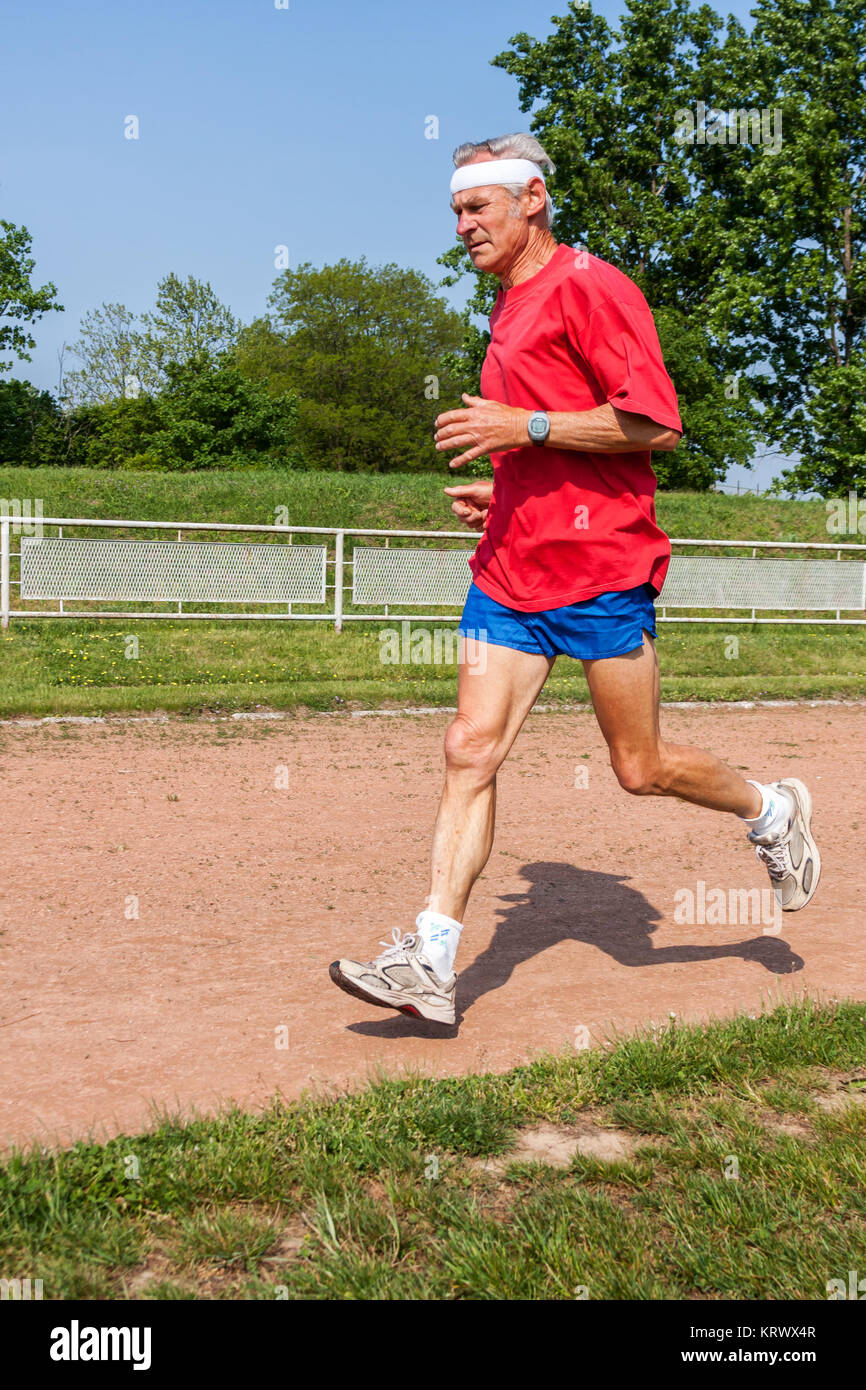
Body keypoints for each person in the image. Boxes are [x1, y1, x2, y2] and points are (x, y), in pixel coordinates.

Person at [329, 132, 820, 1026]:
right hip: (514, 568)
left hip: (601, 571)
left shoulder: (593, 285)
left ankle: (771, 807)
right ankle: (431, 961)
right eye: (455, 211)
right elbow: (541, 434)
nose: (463, 225)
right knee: (469, 748)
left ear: (533, 200)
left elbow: (654, 427)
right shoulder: (508, 303)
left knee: (639, 767)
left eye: (477, 207)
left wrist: (530, 433)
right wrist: (511, 481)